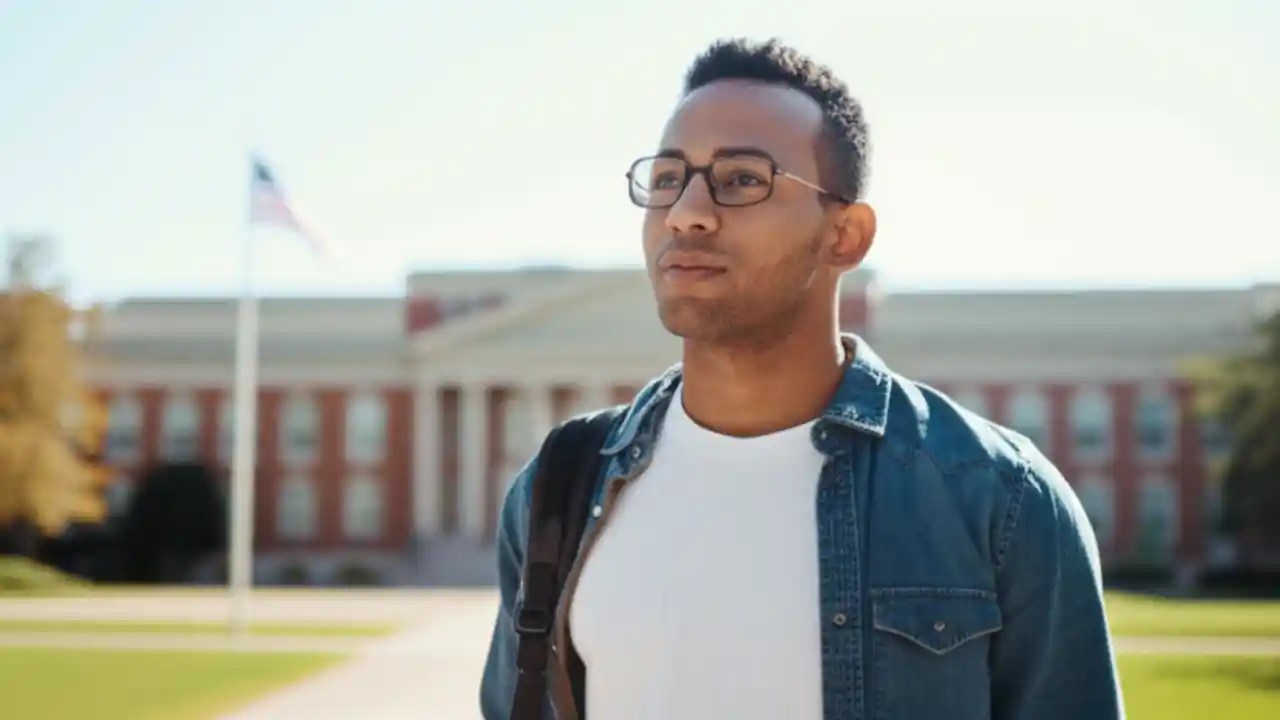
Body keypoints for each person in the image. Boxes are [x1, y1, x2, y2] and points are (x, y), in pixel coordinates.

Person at [481, 37, 1124, 720]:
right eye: (668, 178)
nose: (685, 211)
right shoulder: (559, 492)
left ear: (845, 236)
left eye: (742, 179)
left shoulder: (1000, 501)